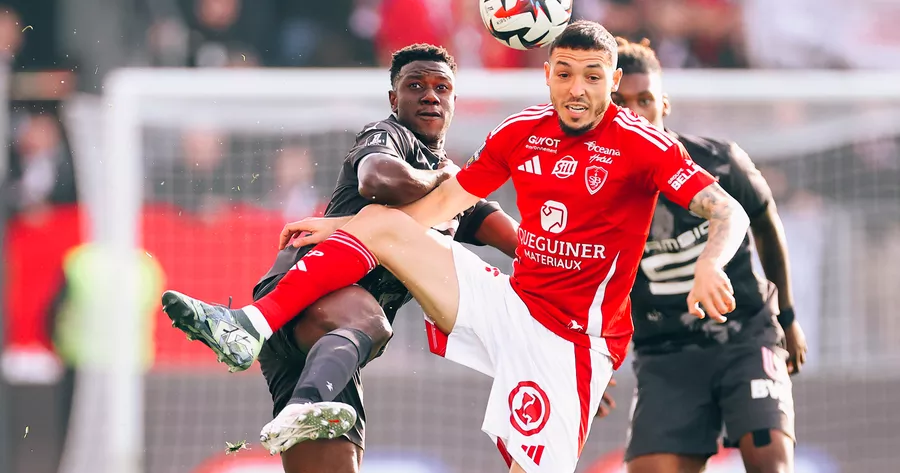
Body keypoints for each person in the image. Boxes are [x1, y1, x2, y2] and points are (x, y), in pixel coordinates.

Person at [162, 21, 751, 473]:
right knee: (385, 223)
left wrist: (709, 264)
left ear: (613, 82)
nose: (577, 89)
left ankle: (300, 381)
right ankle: (250, 325)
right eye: (565, 73)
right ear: (547, 73)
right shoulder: (519, 133)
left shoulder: (643, 146)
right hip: (513, 305)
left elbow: (728, 209)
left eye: (593, 76)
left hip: (571, 341)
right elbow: (433, 210)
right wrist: (343, 228)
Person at [176, 43, 520, 473]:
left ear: (454, 101)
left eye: (441, 87)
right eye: (416, 86)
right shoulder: (388, 135)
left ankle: (290, 383)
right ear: (394, 100)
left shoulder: (461, 198)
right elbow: (378, 180)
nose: (430, 95)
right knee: (374, 321)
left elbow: (525, 247)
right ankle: (297, 388)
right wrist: (445, 180)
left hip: (334, 350)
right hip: (315, 300)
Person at [609, 38, 808, 473]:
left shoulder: (718, 162)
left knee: (771, 463)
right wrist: (592, 360)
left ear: (663, 104)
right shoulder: (593, 188)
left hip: (742, 334)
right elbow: (591, 279)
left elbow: (766, 223)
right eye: (620, 102)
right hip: (664, 352)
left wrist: (787, 318)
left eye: (644, 100)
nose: (634, 112)